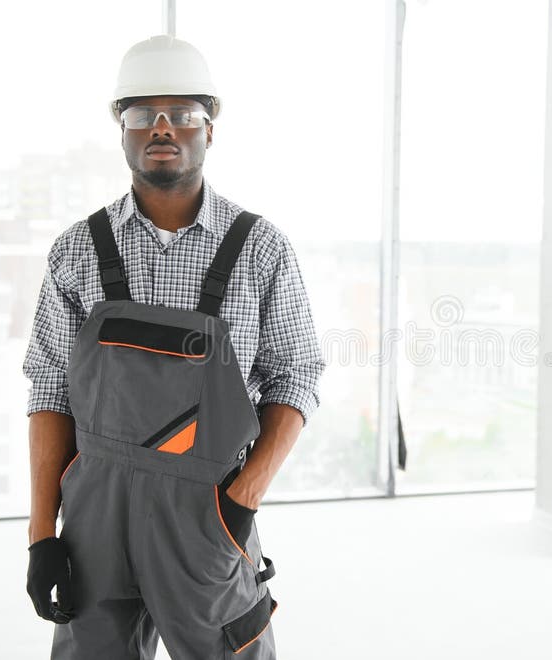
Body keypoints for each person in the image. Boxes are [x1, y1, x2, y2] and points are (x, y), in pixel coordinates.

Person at [22, 34, 325, 659]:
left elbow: (295, 378)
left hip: (208, 509)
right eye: (142, 114)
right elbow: (49, 390)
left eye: (184, 115)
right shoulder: (77, 250)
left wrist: (241, 505)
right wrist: (40, 535)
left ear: (209, 131)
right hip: (94, 517)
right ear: (122, 130)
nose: (163, 128)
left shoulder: (261, 249)